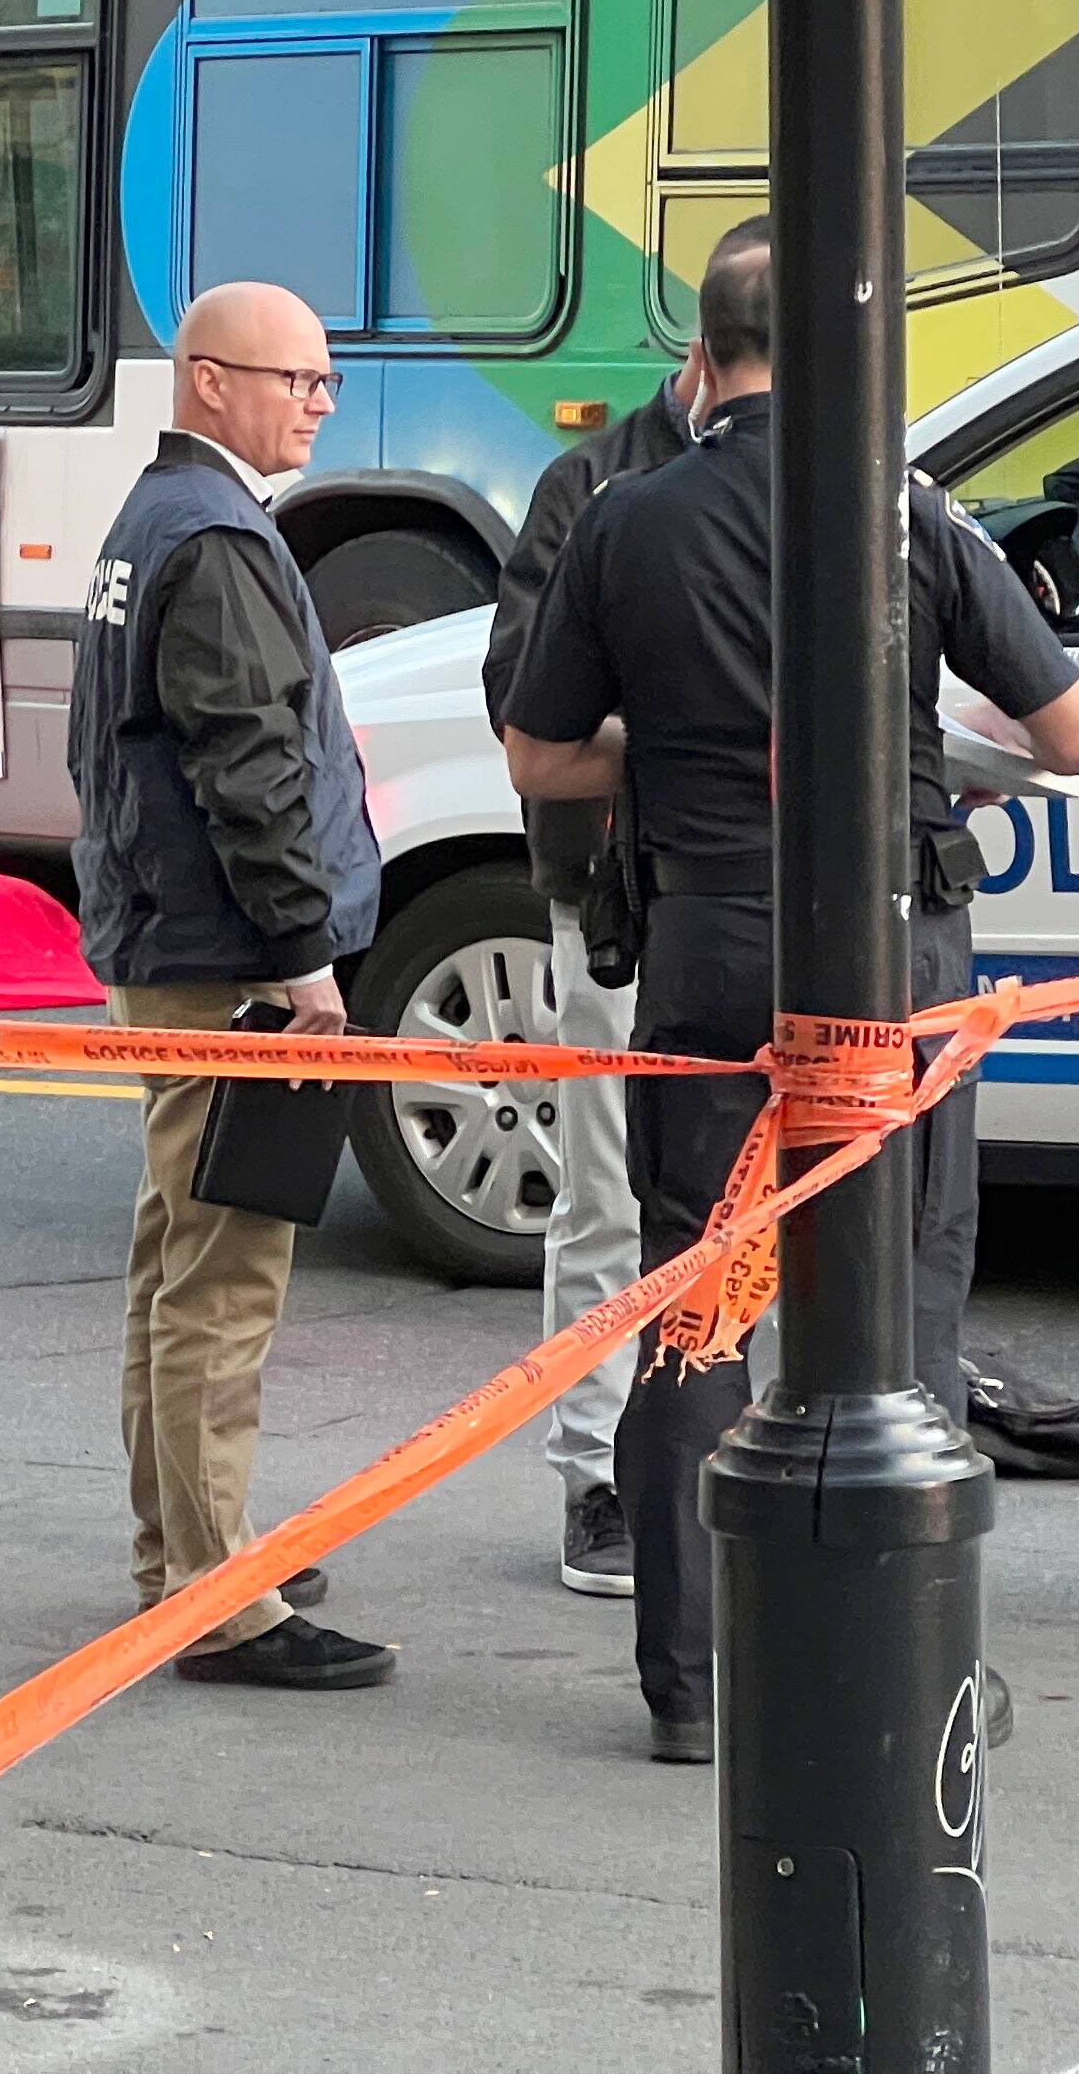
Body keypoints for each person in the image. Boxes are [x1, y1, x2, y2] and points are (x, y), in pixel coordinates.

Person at [497, 219, 1079, 1759]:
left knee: (697, 1306)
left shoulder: (626, 517)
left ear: (704, 354)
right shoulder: (904, 515)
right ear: (846, 359)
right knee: (903, 1300)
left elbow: (540, 752)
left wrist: (679, 741)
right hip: (890, 955)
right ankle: (907, 1675)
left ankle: (694, 1689)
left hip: (707, 945)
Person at [69, 278, 399, 1692]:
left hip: (172, 942)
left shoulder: (161, 526)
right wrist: (303, 959)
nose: (318, 402)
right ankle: (215, 1592)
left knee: (177, 1255)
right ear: (209, 380)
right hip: (227, 963)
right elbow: (247, 767)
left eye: (325, 381)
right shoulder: (212, 537)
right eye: (296, 378)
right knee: (222, 1274)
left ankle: (184, 1554)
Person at [479, 350, 707, 1600]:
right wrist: (688, 738)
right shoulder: (593, 484)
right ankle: (598, 1476)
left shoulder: (808, 466)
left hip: (744, 900)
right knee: (608, 1190)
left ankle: (701, 1453)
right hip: (618, 893)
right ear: (707, 361)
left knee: (732, 1195)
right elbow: (522, 695)